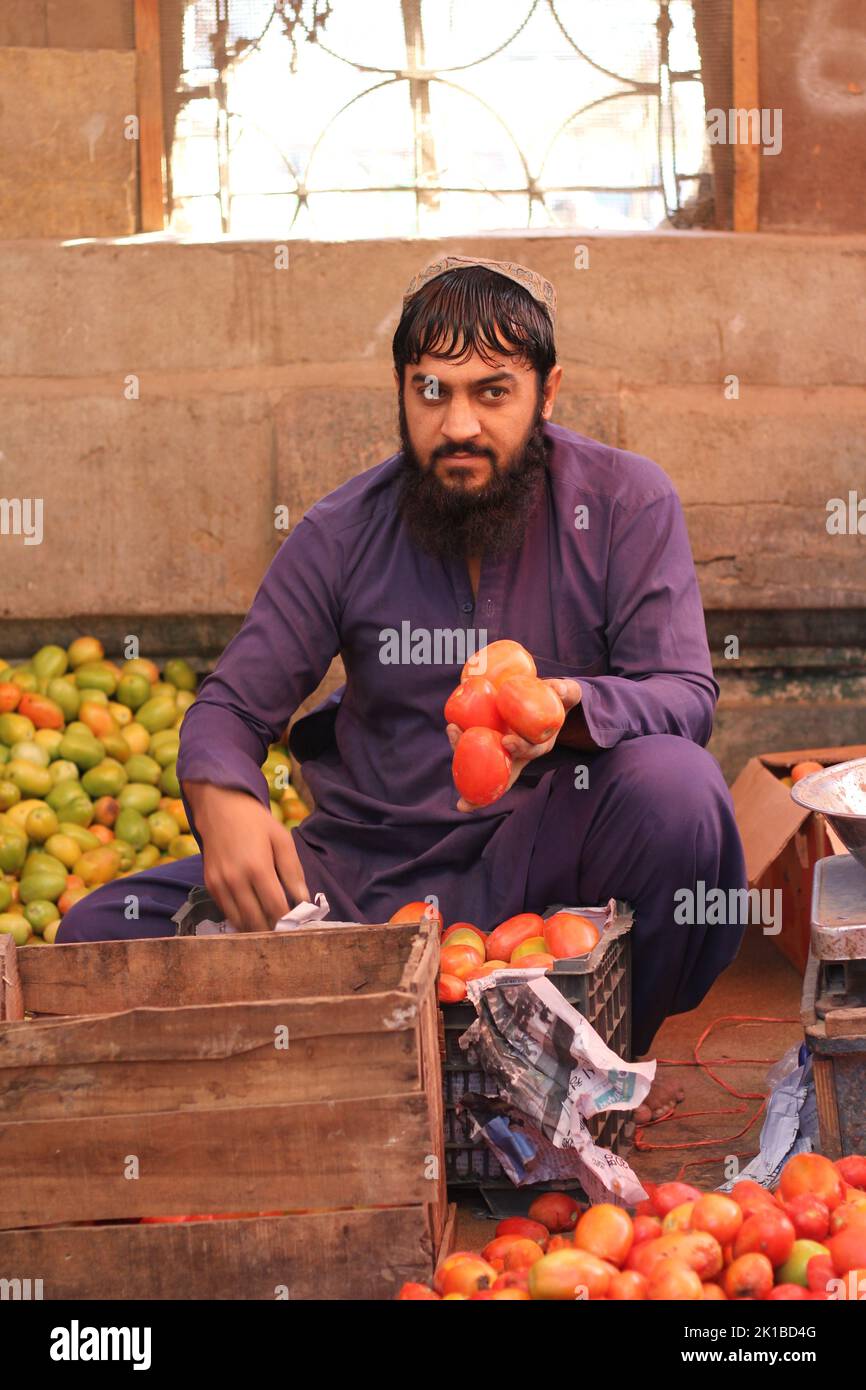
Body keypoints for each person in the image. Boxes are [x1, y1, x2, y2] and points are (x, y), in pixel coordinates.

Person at [59, 255, 747, 1116]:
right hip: (368, 876)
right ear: (400, 391)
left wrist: (574, 707)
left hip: (548, 865)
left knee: (679, 795)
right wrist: (223, 797)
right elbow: (231, 707)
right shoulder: (341, 531)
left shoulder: (624, 502)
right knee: (96, 933)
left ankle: (593, 1080)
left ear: (548, 390)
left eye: (493, 392)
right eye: (433, 391)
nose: (459, 424)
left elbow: (685, 693)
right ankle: (340, 1097)